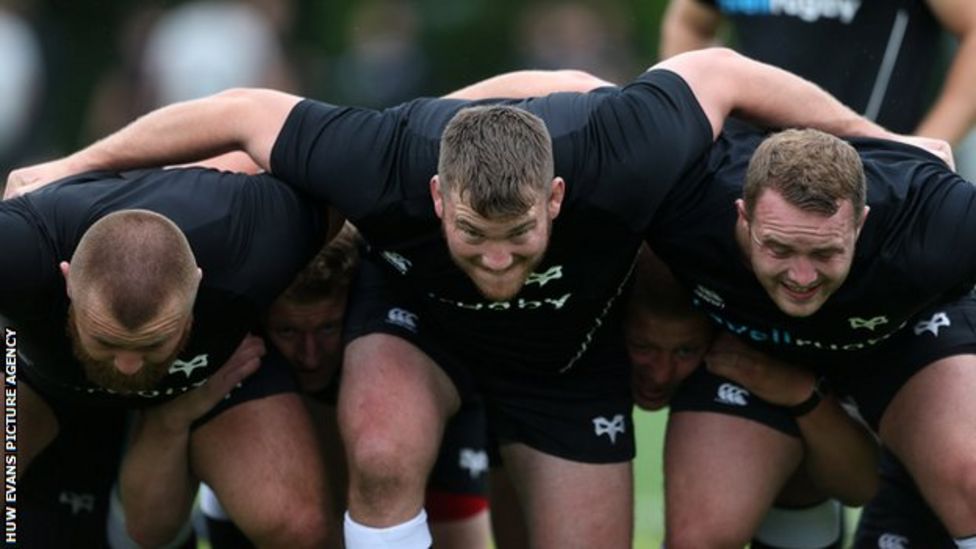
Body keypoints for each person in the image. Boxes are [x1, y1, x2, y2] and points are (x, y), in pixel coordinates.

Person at [5, 47, 911, 549]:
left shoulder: (622, 151)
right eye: (474, 237)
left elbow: (722, 69)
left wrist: (887, 145)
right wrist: (77, 169)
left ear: (558, 200)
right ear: (437, 200)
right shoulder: (384, 159)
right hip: (417, 324)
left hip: (565, 357)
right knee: (384, 450)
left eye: (521, 239)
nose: (498, 260)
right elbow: (247, 110)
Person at [0, 167, 335, 547]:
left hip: (208, 377)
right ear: (67, 282)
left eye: (153, 344)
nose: (127, 366)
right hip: (39, 380)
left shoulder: (255, 238)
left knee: (298, 527)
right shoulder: (21, 252)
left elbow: (313, 148)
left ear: (196, 285)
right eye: (106, 342)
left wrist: (175, 419)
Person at [192, 223, 493, 549]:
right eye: (288, 331)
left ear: (350, 300)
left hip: (436, 388)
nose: (309, 355)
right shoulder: (239, 317)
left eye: (326, 328)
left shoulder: (384, 298)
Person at [626, 246, 879, 548]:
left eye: (684, 351)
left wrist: (803, 394)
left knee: (704, 534)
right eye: (643, 347)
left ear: (716, 334)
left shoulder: (741, 349)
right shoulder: (583, 329)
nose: (660, 374)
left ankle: (800, 500)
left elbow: (861, 488)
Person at [659, 0, 976, 145]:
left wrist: (926, 150)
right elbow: (688, 23)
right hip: (747, 184)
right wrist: (695, 140)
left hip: (872, 187)